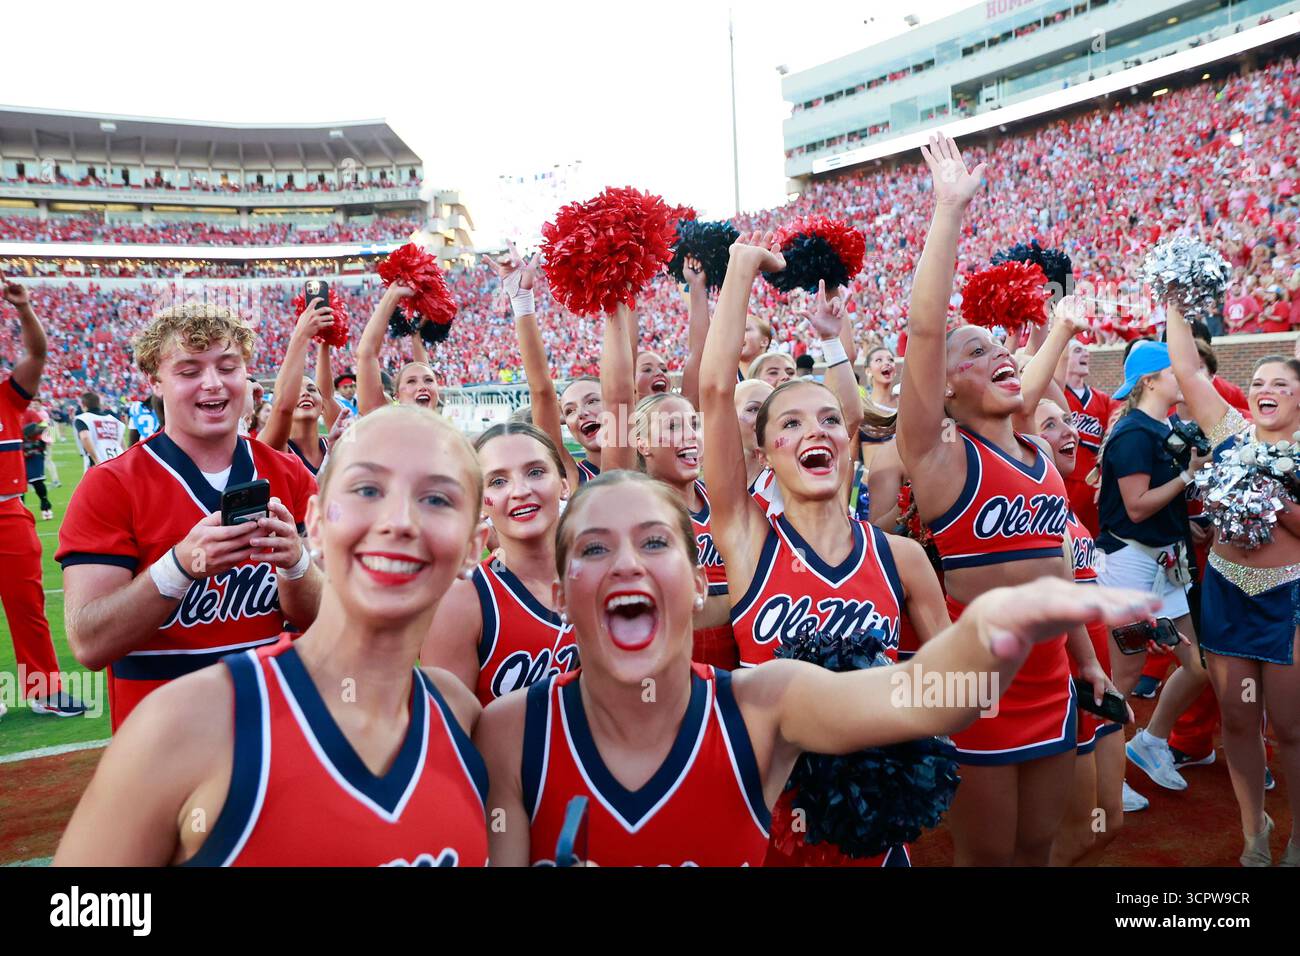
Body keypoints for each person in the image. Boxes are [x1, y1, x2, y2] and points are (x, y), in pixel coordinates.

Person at [473, 470, 1161, 865]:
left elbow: (927, 700)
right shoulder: (509, 731)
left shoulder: (765, 701)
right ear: (561, 594)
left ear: (696, 584)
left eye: (655, 543)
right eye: (593, 549)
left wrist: (991, 628)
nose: (626, 563)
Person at [55, 406, 490, 865]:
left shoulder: (462, 716)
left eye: (438, 499)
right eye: (367, 490)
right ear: (317, 524)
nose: (399, 521)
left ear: (475, 545)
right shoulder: (187, 722)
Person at [896, 134, 1114, 866]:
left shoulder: (1041, 459)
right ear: (948, 382)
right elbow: (927, 331)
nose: (1000, 356)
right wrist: (949, 211)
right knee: (986, 860)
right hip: (977, 683)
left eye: (1003, 348)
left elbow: (1059, 575)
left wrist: (1086, 662)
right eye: (977, 352)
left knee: (1040, 844)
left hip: (1053, 676)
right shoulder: (941, 455)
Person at [703, 236, 945, 865]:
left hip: (874, 822)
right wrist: (738, 271)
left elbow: (947, 691)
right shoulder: (747, 537)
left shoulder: (900, 558)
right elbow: (711, 395)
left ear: (849, 440)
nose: (815, 430)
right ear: (766, 453)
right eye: (790, 423)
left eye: (830, 420)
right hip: (769, 821)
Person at [56, 303, 323, 730]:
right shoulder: (110, 485)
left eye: (227, 366)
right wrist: (177, 569)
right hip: (162, 743)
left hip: (276, 734)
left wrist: (296, 565)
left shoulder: (289, 473)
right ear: (155, 382)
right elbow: (89, 642)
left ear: (246, 376)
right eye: (189, 371)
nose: (213, 383)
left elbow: (331, 620)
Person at [1166, 300, 1300, 866]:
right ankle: (1255, 831)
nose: (1264, 390)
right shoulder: (1230, 433)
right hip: (1225, 591)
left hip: (1287, 599)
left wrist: (1273, 492)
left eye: (1279, 384)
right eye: (1257, 382)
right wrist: (1174, 298)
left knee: (1291, 728)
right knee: (1239, 719)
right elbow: (1188, 370)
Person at [1095, 338, 1211, 801]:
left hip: (1163, 561)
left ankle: (1150, 741)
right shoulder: (1133, 433)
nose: (1184, 376)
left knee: (1197, 666)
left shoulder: (1165, 425)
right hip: (1129, 561)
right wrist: (1187, 476)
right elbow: (1138, 507)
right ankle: (1106, 777)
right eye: (1173, 371)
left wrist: (1191, 520)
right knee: (1123, 677)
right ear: (1149, 380)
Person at [420, 422, 578, 704]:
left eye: (536, 472)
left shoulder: (600, 580)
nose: (520, 491)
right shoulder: (462, 601)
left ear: (564, 485)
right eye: (498, 481)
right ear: (480, 501)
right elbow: (447, 733)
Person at [1034, 399, 1129, 864]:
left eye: (1067, 419)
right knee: (1070, 833)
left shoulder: (1066, 508)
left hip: (1099, 679)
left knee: (1108, 821)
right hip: (1065, 686)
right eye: (1049, 424)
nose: (1068, 430)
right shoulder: (1031, 518)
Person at [0, 275, 85, 716]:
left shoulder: (8, 399)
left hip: (8, 514)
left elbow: (37, 353)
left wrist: (24, 308)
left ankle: (44, 691)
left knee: (28, 607)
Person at [257, 298, 335, 475]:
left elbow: (328, 396)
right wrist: (301, 335)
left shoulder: (333, 446)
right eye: (297, 390)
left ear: (322, 405)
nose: (305, 393)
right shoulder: (275, 446)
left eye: (311, 389)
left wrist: (325, 343)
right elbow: (283, 406)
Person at [356, 282, 439, 414]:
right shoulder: (388, 422)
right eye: (411, 381)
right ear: (397, 396)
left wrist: (415, 333)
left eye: (429, 380)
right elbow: (367, 354)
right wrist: (392, 295)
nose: (422, 387)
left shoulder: (446, 431)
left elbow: (422, 367)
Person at [74, 390, 125, 471]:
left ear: (83, 404)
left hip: (100, 462)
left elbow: (85, 437)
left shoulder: (83, 418)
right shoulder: (114, 420)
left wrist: (96, 460)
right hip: (119, 460)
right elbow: (122, 443)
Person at [21, 407, 53, 520]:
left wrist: (32, 433)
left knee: (37, 481)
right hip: (14, 452)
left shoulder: (29, 412)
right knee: (18, 485)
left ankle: (45, 504)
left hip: (33, 450)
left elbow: (45, 426)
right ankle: (20, 511)